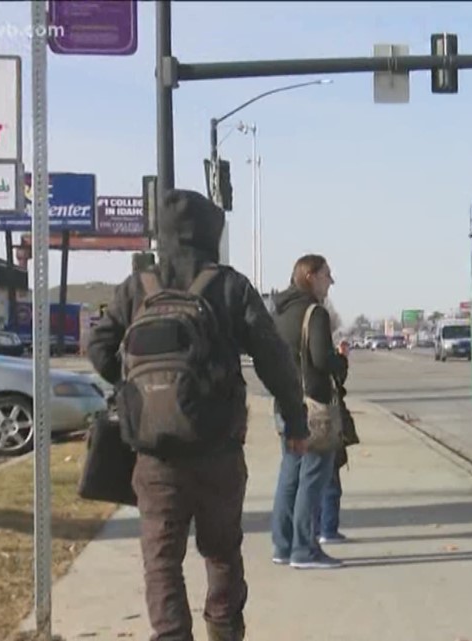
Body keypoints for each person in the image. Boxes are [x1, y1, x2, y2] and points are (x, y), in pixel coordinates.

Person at [87, 188, 311, 641]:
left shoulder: (136, 287)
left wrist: (139, 393)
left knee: (161, 558)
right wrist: (295, 419)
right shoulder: (229, 286)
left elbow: (98, 348)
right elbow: (275, 359)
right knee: (222, 551)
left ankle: (170, 634)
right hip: (218, 450)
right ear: (212, 233)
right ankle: (224, 631)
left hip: (154, 455)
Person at [269, 254, 348, 569]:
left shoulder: (279, 313)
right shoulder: (315, 313)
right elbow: (320, 358)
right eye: (327, 275)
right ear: (311, 276)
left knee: (290, 476)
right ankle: (304, 550)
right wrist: (340, 362)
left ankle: (282, 545)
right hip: (313, 408)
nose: (331, 281)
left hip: (285, 404)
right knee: (313, 478)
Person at [315, 337, 351, 544]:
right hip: (322, 415)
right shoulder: (315, 323)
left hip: (300, 412)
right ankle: (327, 529)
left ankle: (316, 529)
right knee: (328, 478)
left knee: (309, 476)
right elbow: (332, 375)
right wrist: (341, 359)